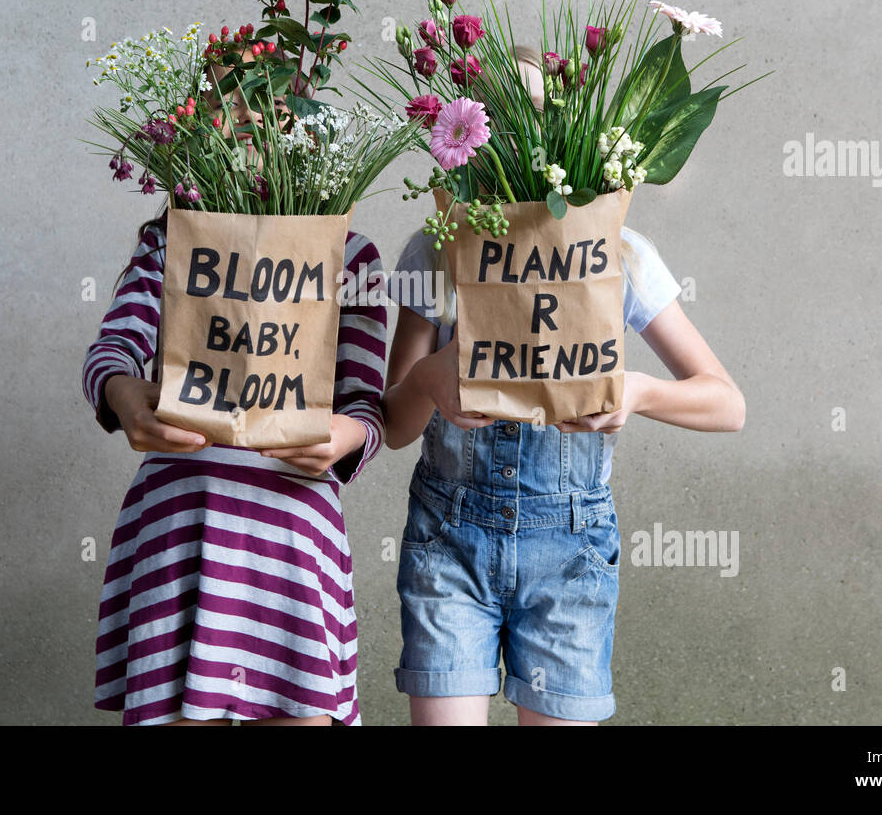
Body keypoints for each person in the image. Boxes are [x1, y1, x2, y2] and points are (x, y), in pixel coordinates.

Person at [380, 45, 746, 725]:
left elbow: (727, 404)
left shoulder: (617, 254)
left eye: (540, 119)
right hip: (449, 538)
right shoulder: (434, 248)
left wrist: (634, 392)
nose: (520, 138)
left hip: (569, 550)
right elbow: (392, 426)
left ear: (571, 132)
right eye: (501, 121)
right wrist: (432, 378)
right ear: (470, 137)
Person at [82, 56, 387, 726]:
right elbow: (112, 351)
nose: (255, 139)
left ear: (309, 137)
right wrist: (128, 401)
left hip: (294, 543)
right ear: (203, 137)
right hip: (180, 533)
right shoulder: (170, 245)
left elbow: (367, 406)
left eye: (276, 122)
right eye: (237, 122)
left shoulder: (350, 256)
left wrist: (343, 438)